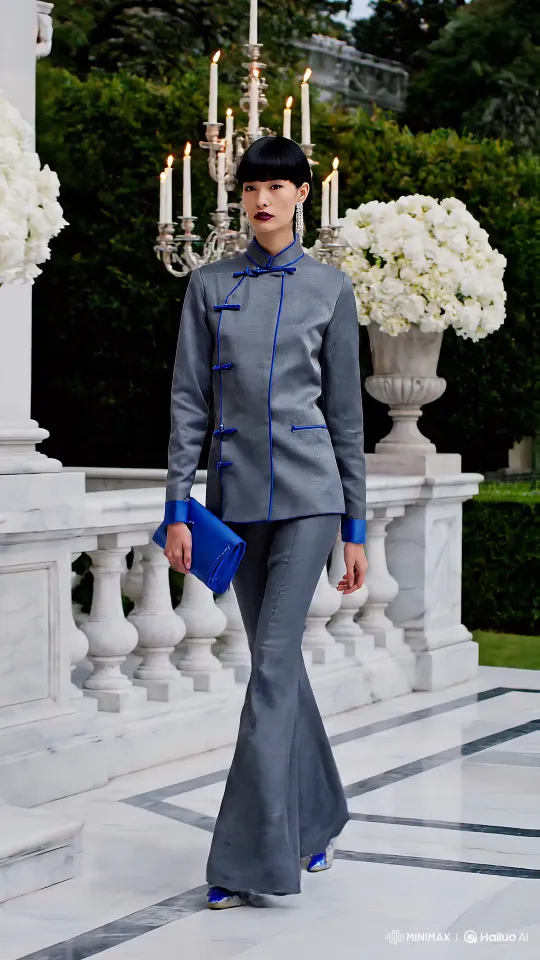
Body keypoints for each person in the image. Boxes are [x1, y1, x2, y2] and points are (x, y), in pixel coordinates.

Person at [160, 135, 368, 909]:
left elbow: (346, 418)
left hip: (312, 500)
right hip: (236, 503)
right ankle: (320, 819)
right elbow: (188, 402)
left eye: (278, 187)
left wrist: (356, 527)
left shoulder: (330, 290)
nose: (262, 198)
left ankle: (246, 860)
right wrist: (178, 507)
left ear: (302, 196)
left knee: (272, 668)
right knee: (283, 673)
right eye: (251, 186)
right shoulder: (209, 284)